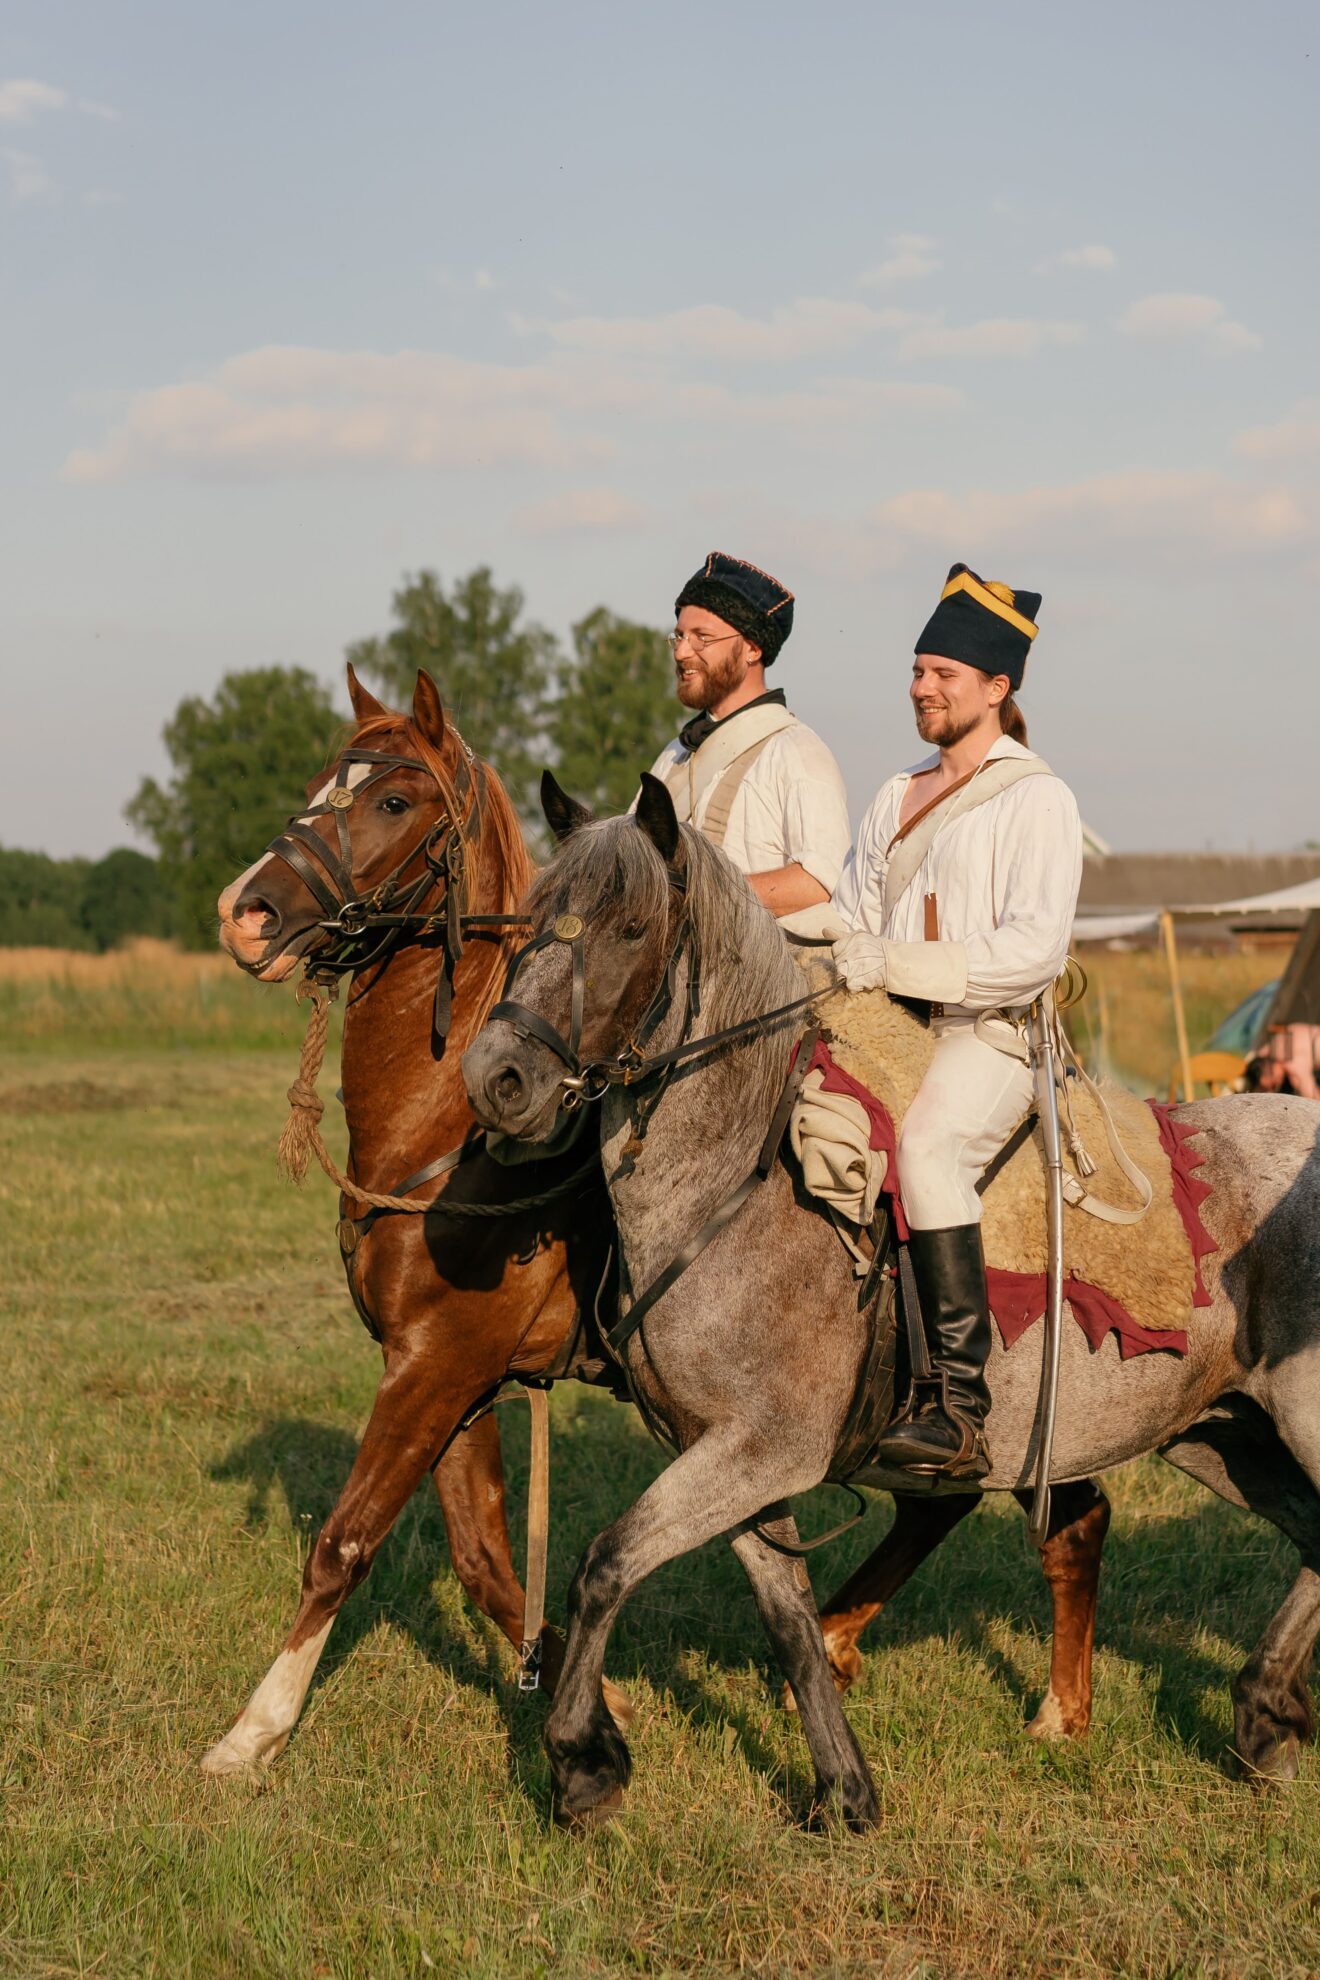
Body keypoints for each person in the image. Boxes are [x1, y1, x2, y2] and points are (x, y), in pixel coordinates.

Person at [831, 563, 1083, 1479]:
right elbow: (852, 916)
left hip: (995, 1036)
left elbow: (1033, 952)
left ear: (997, 687)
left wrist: (896, 961)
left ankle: (956, 1409)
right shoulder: (891, 795)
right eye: (915, 669)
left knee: (931, 1151)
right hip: (884, 1027)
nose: (921, 688)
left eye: (942, 673)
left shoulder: (1037, 798)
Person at [645, 551, 851, 917]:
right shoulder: (673, 755)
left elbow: (822, 882)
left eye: (701, 638)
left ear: (752, 649)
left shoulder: (798, 752)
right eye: (678, 636)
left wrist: (699, 890)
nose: (680, 651)